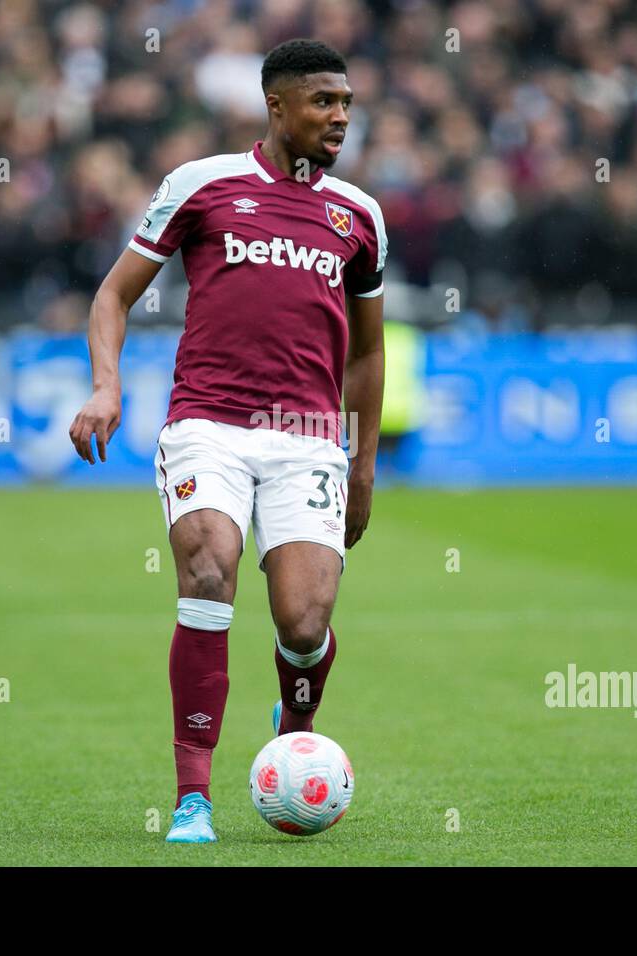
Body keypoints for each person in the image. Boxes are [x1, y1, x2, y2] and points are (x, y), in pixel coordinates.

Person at [68, 39, 387, 844]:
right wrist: (108, 385)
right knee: (209, 570)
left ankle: (294, 720)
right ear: (276, 107)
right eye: (323, 102)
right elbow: (113, 295)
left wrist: (363, 465)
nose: (340, 117)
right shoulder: (203, 186)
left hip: (310, 438)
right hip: (208, 422)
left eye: (346, 103)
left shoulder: (359, 216)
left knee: (305, 626)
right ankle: (192, 798)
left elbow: (369, 352)